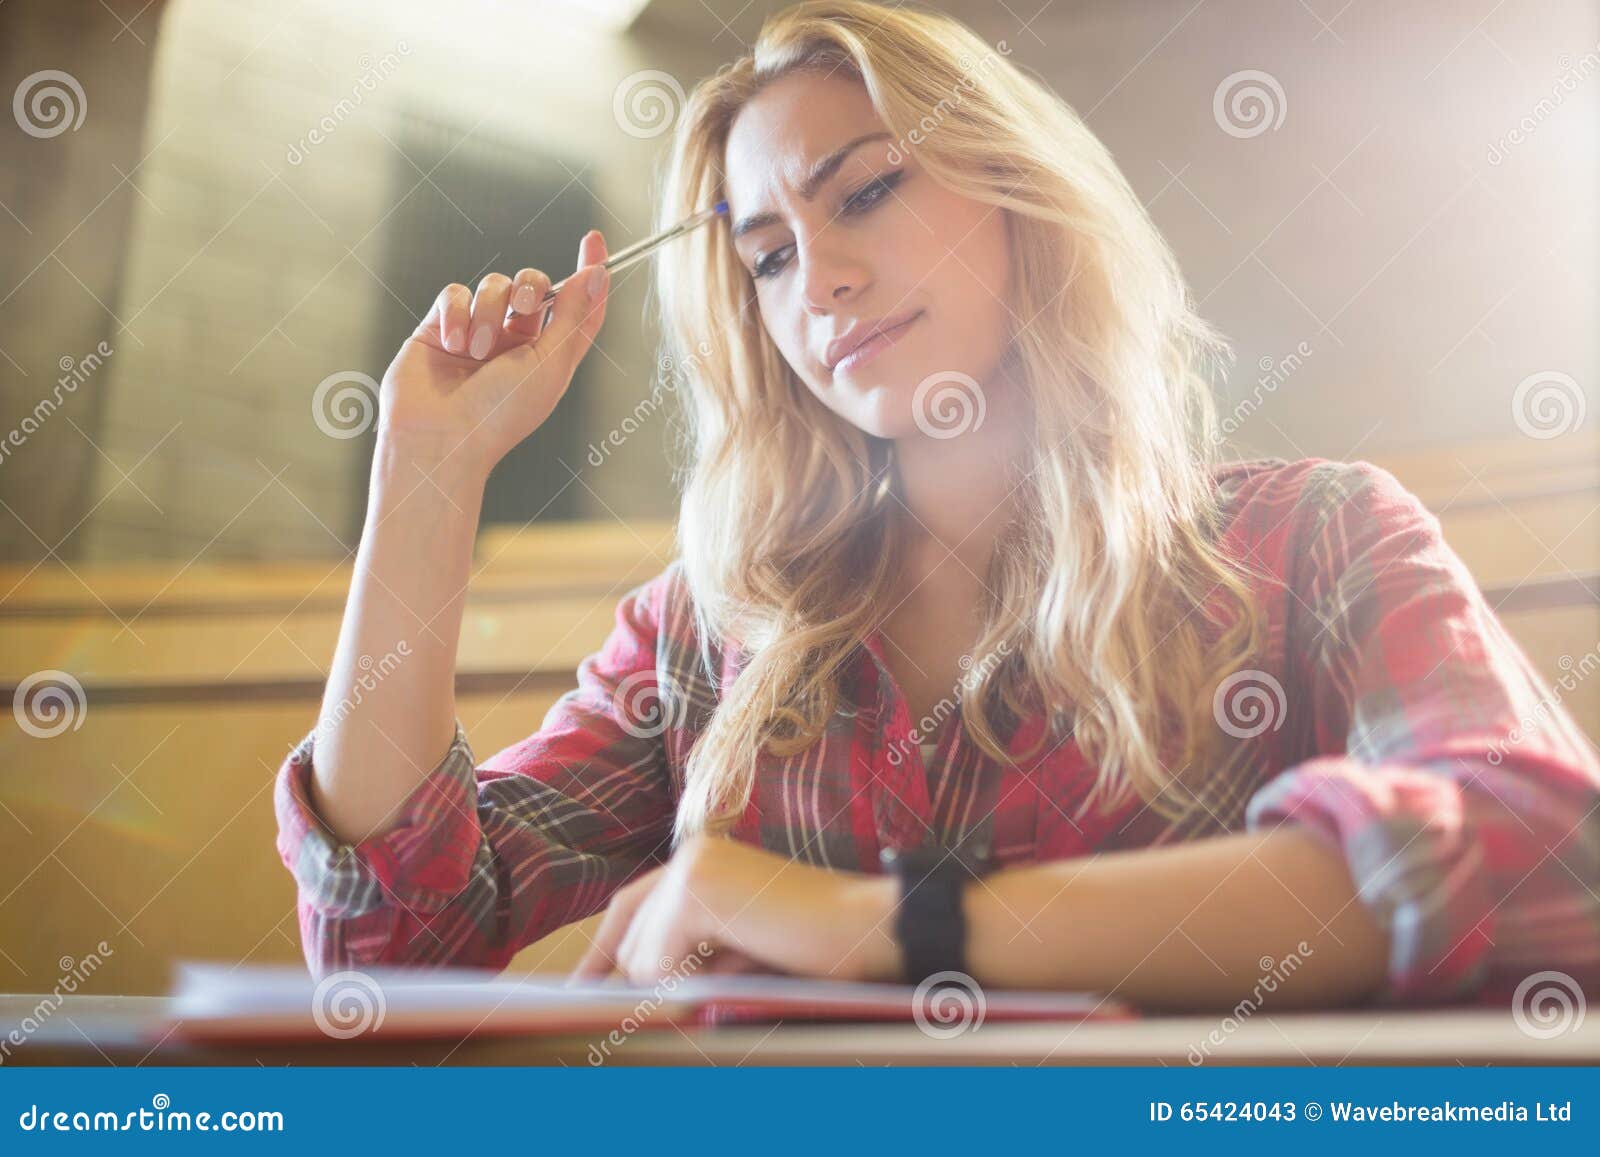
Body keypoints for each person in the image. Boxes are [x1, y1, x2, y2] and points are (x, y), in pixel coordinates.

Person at [273, 0, 1600, 1011]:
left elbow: (1542, 858)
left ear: (1020, 192)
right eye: (769, 256)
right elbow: (392, 940)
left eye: (868, 190)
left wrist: (878, 925)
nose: (822, 283)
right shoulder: (705, 635)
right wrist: (427, 474)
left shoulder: (1314, 541)